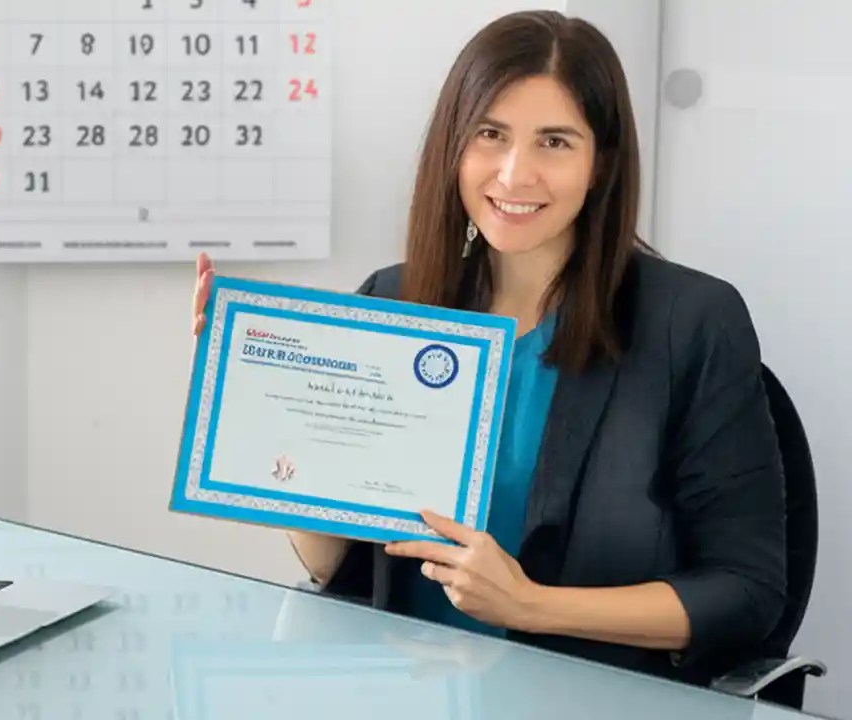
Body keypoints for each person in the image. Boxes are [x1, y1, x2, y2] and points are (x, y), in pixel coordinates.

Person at [189, 10, 786, 687]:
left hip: (580, 696)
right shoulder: (391, 301)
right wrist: (261, 400)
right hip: (402, 689)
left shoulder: (691, 321)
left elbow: (746, 591)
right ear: (455, 145)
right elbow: (337, 569)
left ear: (602, 162)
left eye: (554, 142)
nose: (514, 173)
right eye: (490, 134)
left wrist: (531, 606)